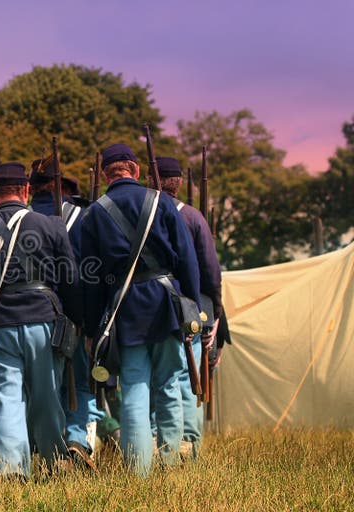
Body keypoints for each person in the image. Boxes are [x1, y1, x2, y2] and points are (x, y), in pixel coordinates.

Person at [81, 143, 200, 476]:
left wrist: (94, 328)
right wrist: (190, 303)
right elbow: (187, 259)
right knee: (169, 385)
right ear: (134, 169)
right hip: (166, 304)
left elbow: (90, 277)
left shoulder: (95, 212)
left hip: (125, 309)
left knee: (133, 388)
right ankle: (171, 462)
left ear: (106, 175)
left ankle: (138, 470)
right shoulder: (162, 201)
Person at [0, 162, 82, 477]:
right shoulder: (51, 226)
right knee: (47, 397)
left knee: (6, 399)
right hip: (44, 321)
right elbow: (71, 279)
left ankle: (11, 471)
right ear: (25, 190)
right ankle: (52, 462)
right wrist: (75, 321)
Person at [27, 159, 99, 468]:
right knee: (79, 383)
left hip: (31, 313)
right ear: (65, 188)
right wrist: (87, 321)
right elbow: (92, 273)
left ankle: (43, 445)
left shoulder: (21, 217)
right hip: (73, 313)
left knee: (38, 386)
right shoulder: (83, 218)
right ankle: (76, 440)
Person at [156, 156, 223, 458]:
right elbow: (210, 271)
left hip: (155, 306)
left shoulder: (145, 215)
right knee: (189, 376)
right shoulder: (194, 217)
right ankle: (189, 443)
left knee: (165, 376)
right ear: (179, 182)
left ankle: (165, 440)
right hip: (192, 307)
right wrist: (215, 313)